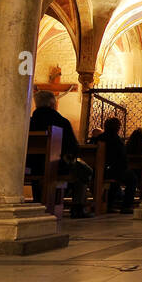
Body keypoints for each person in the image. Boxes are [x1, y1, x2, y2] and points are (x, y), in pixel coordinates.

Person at [29, 90, 92, 218]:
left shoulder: (28, 122)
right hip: (57, 165)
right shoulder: (61, 121)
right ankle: (77, 207)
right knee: (85, 170)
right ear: (53, 104)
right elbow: (73, 147)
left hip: (30, 165)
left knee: (40, 167)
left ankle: (39, 201)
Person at [93, 118, 137, 214]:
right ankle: (126, 206)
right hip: (113, 170)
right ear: (117, 128)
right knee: (132, 177)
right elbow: (122, 158)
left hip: (97, 171)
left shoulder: (98, 138)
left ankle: (109, 204)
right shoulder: (116, 140)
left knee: (116, 180)